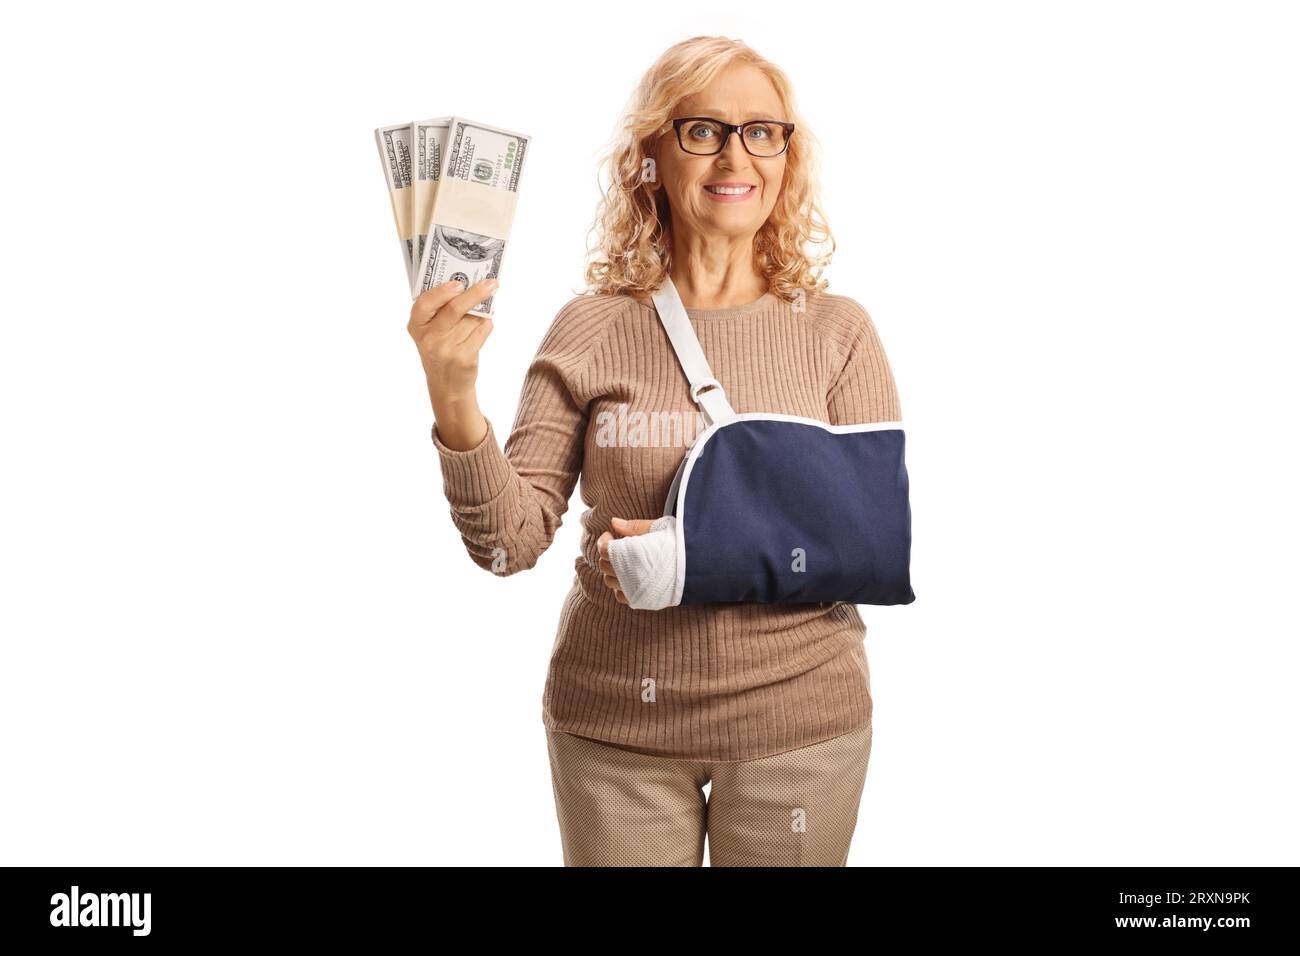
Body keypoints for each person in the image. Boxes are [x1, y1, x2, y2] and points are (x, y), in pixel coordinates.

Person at [407, 35, 904, 866]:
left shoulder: (836, 332)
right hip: (616, 730)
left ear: (787, 155)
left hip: (799, 726)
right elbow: (508, 544)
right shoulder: (591, 328)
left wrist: (687, 557)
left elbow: (871, 547)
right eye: (701, 130)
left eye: (762, 131)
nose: (734, 153)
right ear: (651, 159)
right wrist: (452, 395)